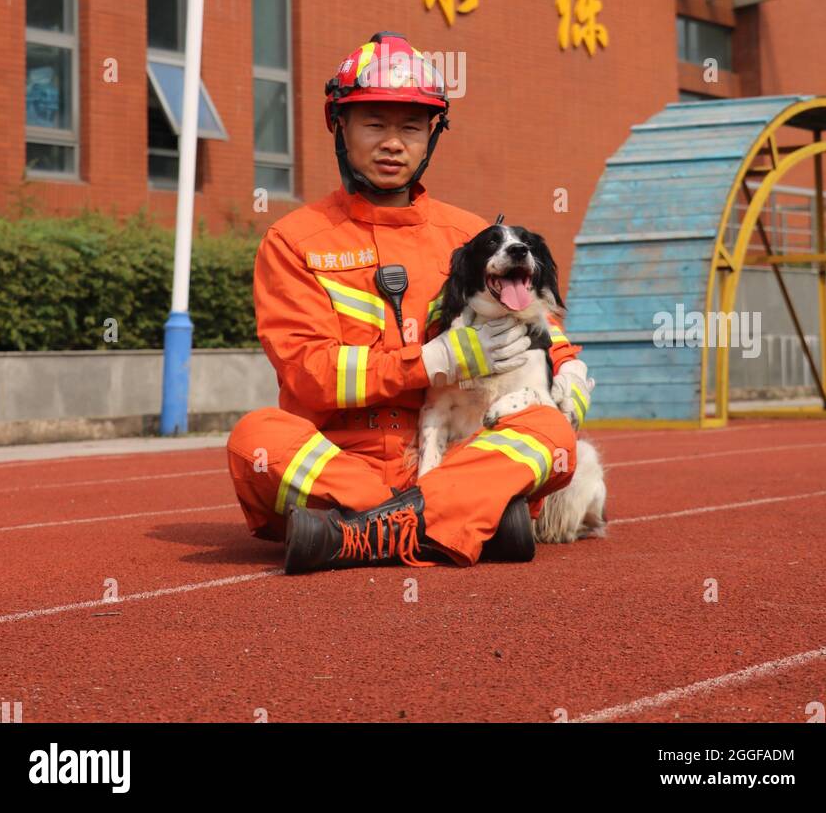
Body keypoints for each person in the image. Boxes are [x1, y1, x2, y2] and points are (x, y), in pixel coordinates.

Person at [226, 31, 593, 573]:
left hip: (459, 455)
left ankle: (360, 533)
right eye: (374, 124)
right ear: (340, 126)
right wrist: (432, 361)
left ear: (431, 137)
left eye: (411, 127)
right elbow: (309, 375)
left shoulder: (475, 237)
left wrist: (571, 373)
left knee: (552, 433)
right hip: (344, 464)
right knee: (254, 438)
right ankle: (457, 523)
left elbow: (543, 335)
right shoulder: (294, 240)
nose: (392, 143)